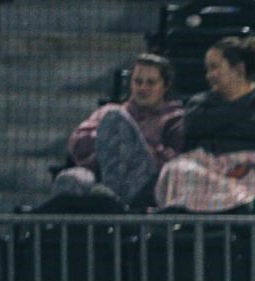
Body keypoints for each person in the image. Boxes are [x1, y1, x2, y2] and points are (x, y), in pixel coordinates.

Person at [153, 34, 255, 213]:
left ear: (239, 68)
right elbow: (194, 126)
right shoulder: (200, 102)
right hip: (211, 173)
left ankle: (244, 205)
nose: (209, 75)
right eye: (207, 69)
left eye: (214, 68)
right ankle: (235, 204)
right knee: (177, 169)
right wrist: (243, 114)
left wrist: (219, 124)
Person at [54, 54, 184, 208]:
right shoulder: (109, 112)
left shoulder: (175, 118)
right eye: (138, 81)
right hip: (98, 174)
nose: (143, 88)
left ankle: (112, 200)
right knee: (70, 179)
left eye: (151, 83)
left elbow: (173, 163)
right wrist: (109, 145)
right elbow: (78, 142)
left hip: (144, 185)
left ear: (166, 86)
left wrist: (134, 144)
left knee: (116, 121)